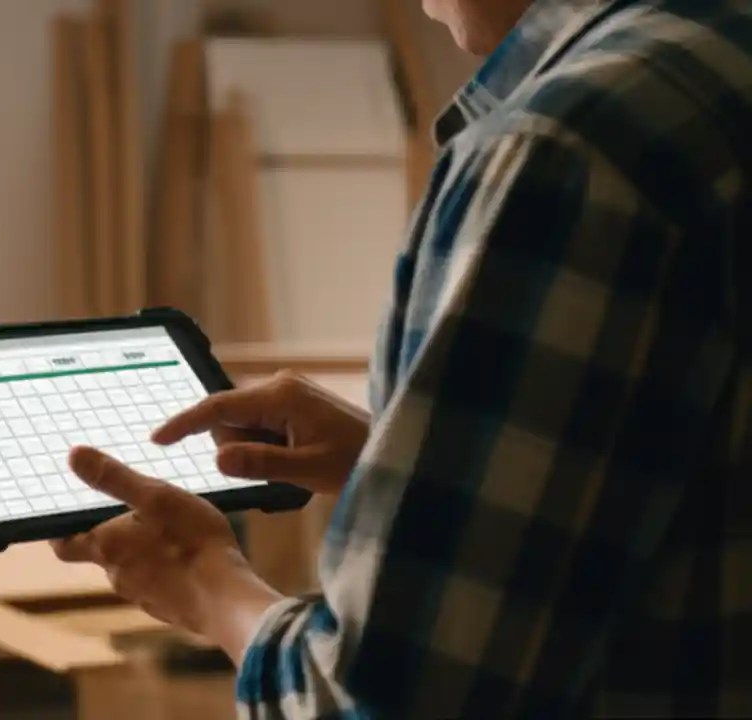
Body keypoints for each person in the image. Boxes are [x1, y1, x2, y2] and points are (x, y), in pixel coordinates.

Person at [50, 0, 752, 715]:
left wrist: (207, 583)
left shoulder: (564, 145)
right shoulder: (716, 64)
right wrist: (400, 471)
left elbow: (397, 699)